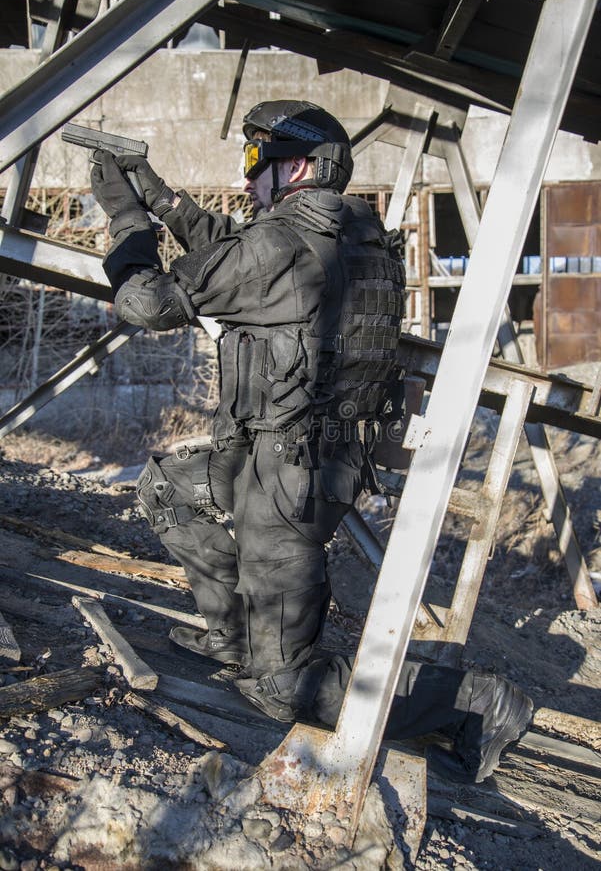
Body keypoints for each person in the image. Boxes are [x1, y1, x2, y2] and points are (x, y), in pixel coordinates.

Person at [90, 99, 533, 782]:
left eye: (252, 163)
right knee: (168, 488)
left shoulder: (281, 246)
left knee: (280, 689)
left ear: (297, 166)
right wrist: (160, 194)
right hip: (300, 463)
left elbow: (146, 302)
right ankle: (232, 636)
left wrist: (127, 217)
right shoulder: (348, 231)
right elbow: (234, 253)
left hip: (286, 481)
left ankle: (479, 701)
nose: (244, 180)